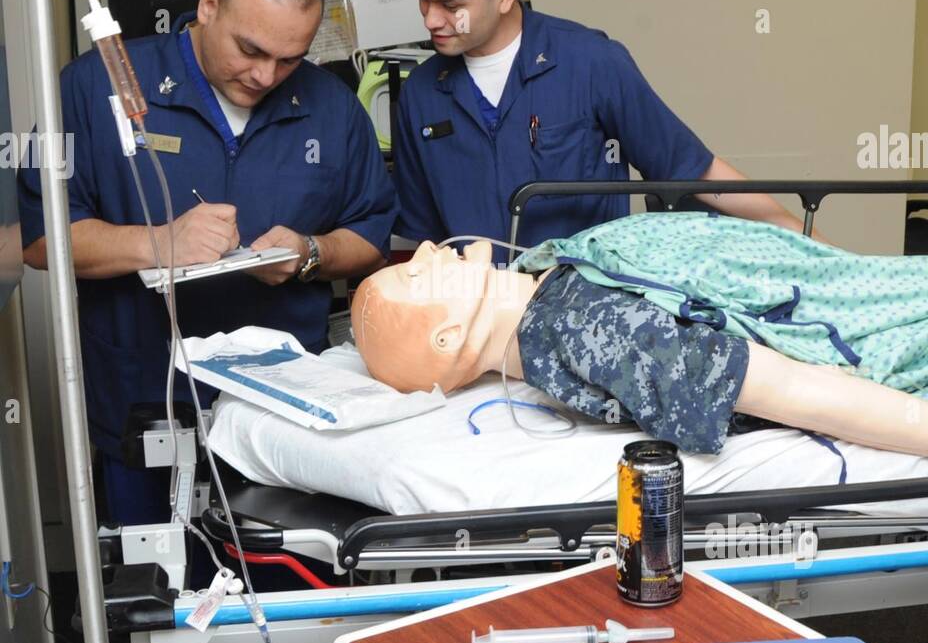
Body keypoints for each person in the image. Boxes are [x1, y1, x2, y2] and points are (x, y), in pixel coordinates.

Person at [18, 0, 397, 643]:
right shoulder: (98, 87)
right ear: (207, 3)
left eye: (289, 58)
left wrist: (306, 255)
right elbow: (40, 240)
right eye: (250, 51)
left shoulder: (332, 109)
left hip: (281, 411)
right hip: (141, 389)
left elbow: (373, 235)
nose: (267, 75)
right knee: (167, 587)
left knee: (299, 580)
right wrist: (159, 243)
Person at [393, 0, 815, 252]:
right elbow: (422, 239)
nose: (430, 20)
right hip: (474, 322)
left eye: (450, 7)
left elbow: (689, 167)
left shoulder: (592, 63)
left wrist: (801, 237)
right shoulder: (422, 93)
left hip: (586, 311)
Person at [350, 213, 928, 461]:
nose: (426, 250)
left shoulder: (545, 279)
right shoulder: (587, 330)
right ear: (449, 339)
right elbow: (791, 388)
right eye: (416, 274)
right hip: (881, 326)